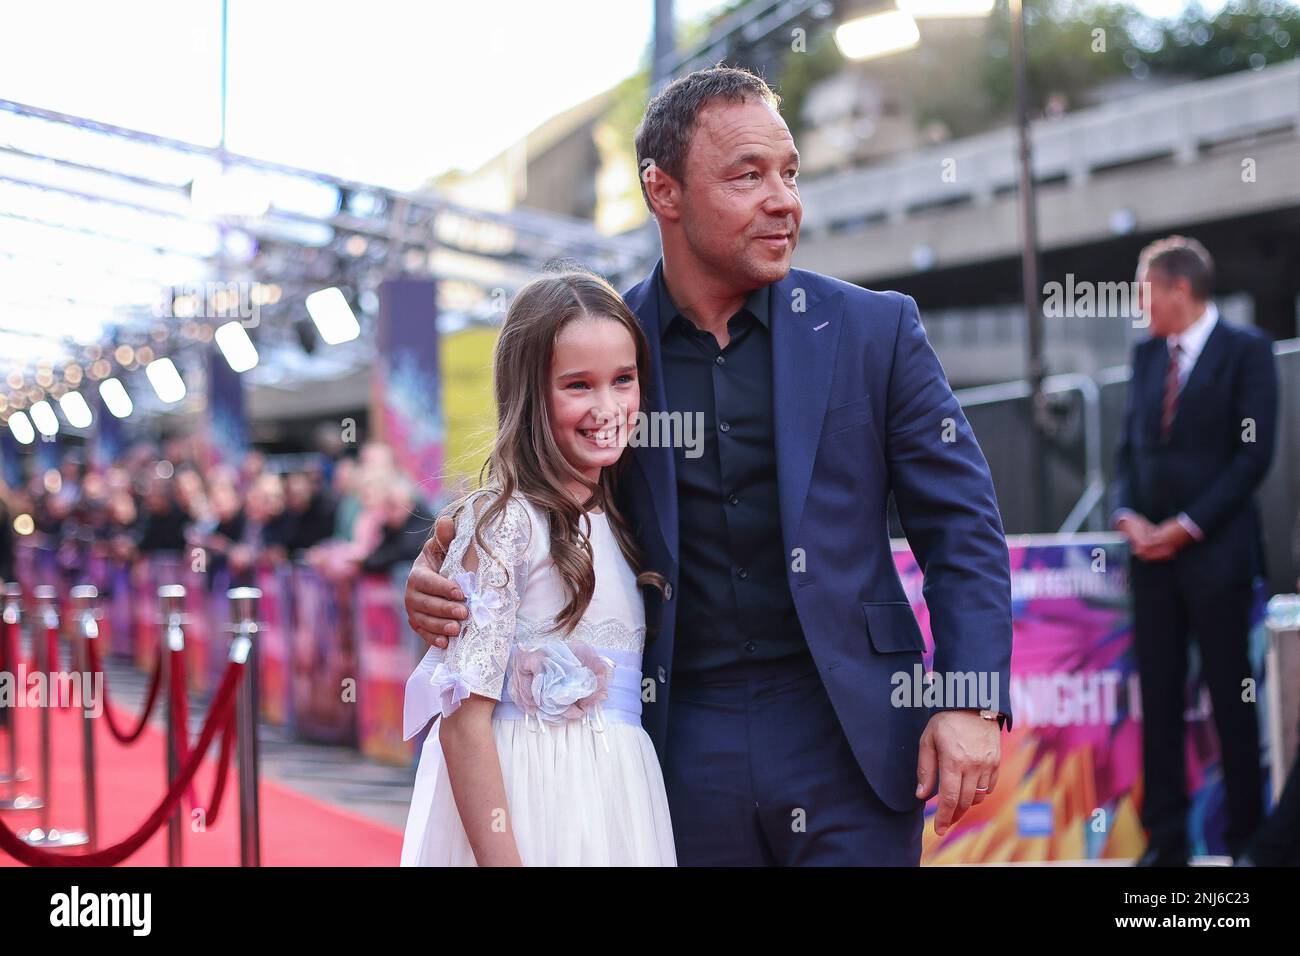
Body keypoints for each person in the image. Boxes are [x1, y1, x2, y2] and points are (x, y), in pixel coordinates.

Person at [405, 66, 1012, 866]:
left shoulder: (875, 330)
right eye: (748, 175)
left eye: (790, 172)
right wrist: (438, 583)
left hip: (853, 733)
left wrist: (969, 696)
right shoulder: (611, 351)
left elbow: (962, 525)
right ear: (664, 191)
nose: (784, 199)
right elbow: (535, 503)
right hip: (675, 744)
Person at [400, 269, 676, 866]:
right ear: (528, 394)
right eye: (578, 385)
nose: (608, 407)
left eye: (623, 380)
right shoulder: (507, 522)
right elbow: (462, 721)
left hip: (618, 799)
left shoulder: (621, 515)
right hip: (530, 799)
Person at [1111, 235, 1279, 865]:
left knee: (1232, 699)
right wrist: (1127, 516)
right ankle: (1167, 839)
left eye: (1143, 289)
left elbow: (1252, 458)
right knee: (1158, 700)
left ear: (1178, 289)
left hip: (1219, 561)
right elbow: (1128, 451)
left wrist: (1184, 526)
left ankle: (1245, 842)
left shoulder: (1248, 352)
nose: (1137, 303)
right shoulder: (1146, 355)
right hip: (1151, 567)